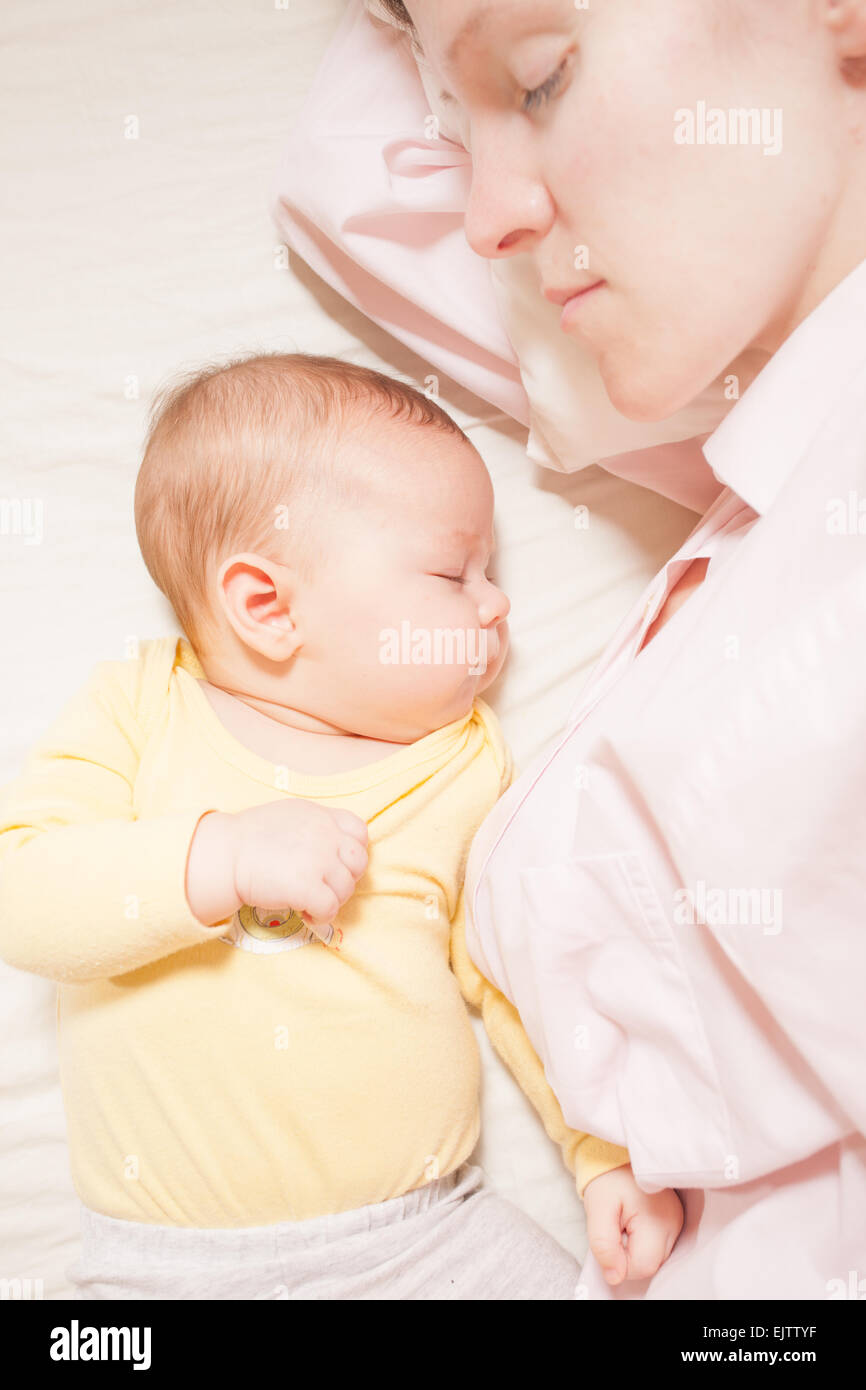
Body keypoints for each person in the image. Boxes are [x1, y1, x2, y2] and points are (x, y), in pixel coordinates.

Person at [0, 352, 683, 1300]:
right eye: (455, 571)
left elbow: (516, 974)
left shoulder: (463, 764)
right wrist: (218, 856)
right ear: (268, 607)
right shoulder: (141, 708)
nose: (497, 605)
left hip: (427, 1242)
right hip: (163, 1270)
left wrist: (599, 1150)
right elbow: (27, 896)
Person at [380, 0, 866, 1298]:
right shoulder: (771, 439)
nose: (481, 217)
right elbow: (347, 187)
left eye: (536, 82)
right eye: (445, 119)